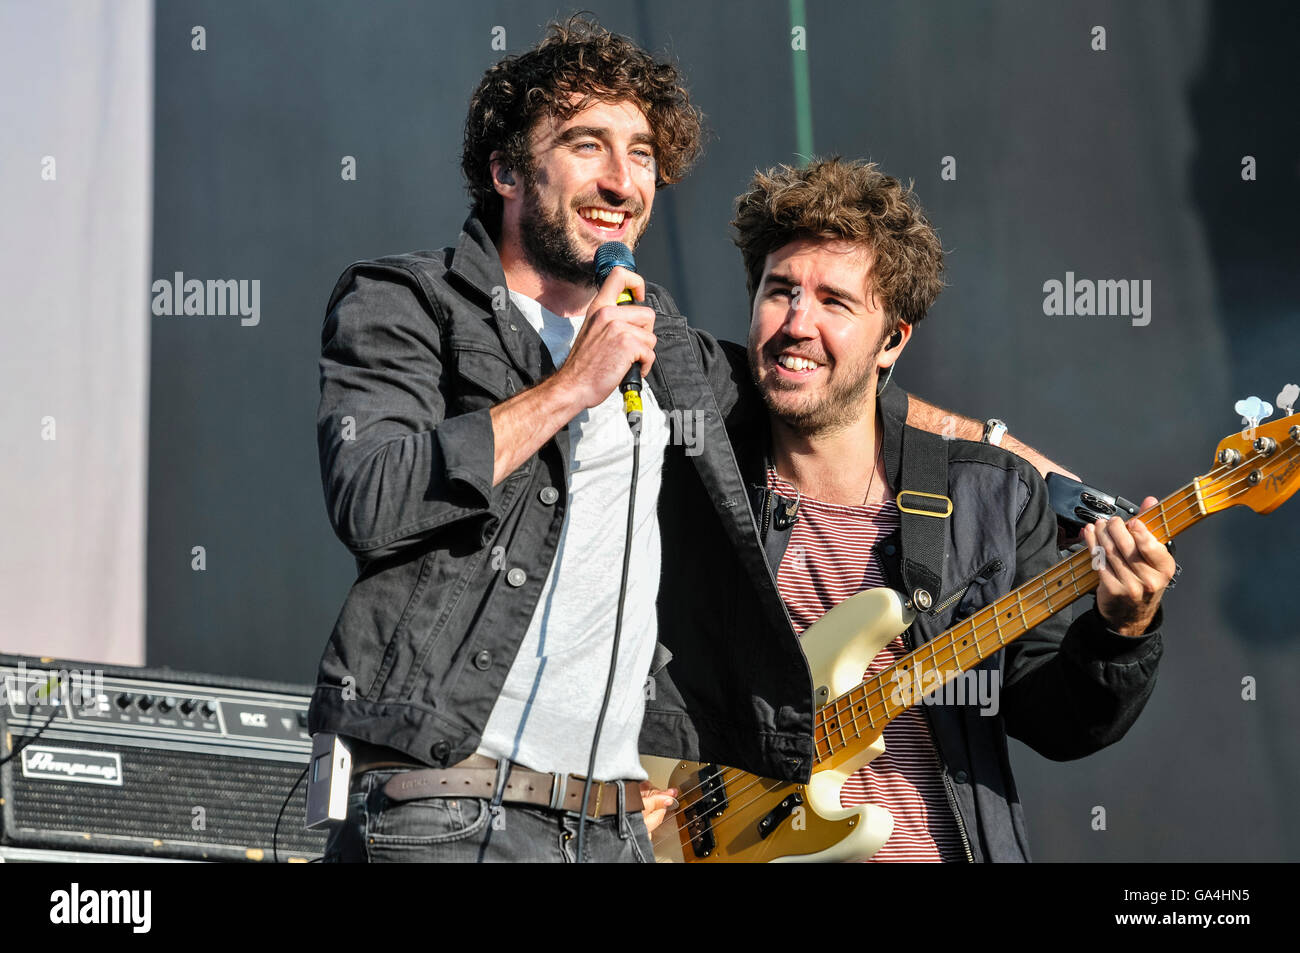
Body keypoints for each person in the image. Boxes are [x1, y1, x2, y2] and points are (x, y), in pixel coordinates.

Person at [310, 16, 1080, 863]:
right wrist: (573, 386)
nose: (620, 179)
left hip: (614, 832)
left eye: (640, 154)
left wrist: (1019, 459)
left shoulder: (665, 344)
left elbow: (824, 385)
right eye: (586, 145)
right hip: (450, 804)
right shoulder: (409, 302)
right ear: (505, 171)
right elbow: (374, 496)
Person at [705, 157, 1176, 861]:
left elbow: (1054, 719)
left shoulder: (986, 498)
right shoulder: (694, 470)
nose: (797, 323)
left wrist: (1123, 631)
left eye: (834, 302)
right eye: (780, 291)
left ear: (893, 337)